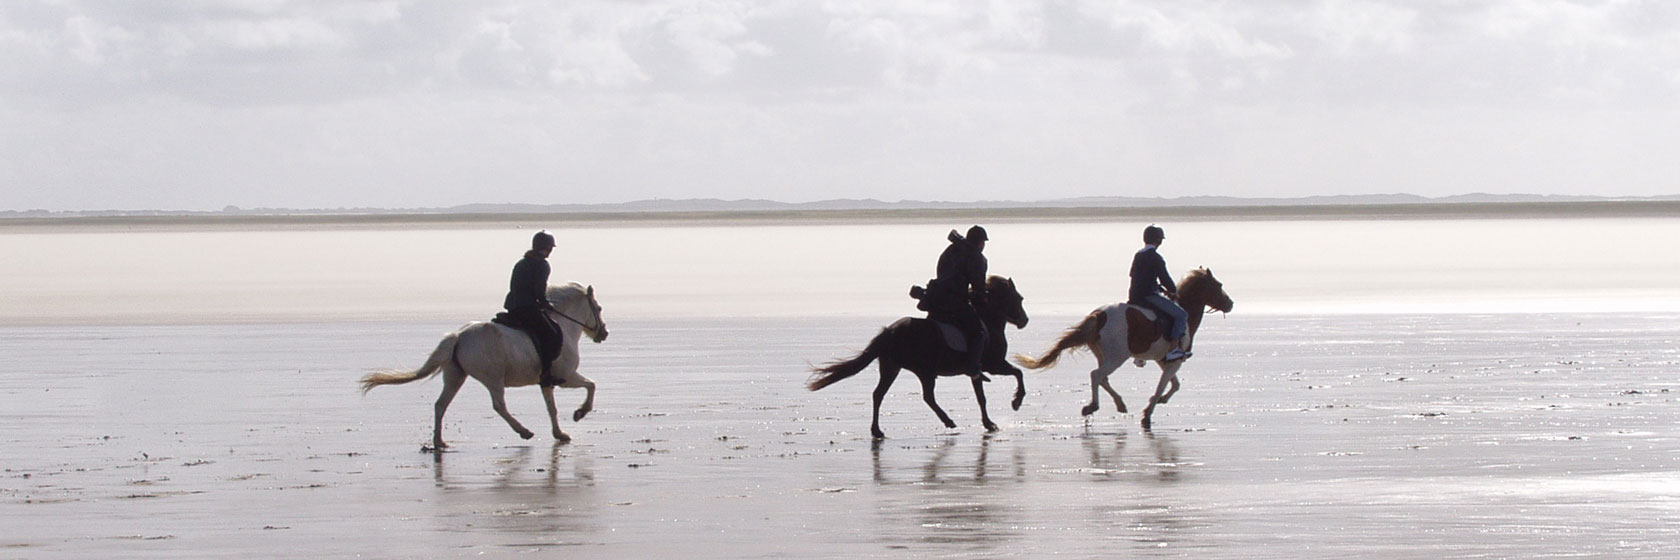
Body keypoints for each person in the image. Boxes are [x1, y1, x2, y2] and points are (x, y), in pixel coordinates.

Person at [927, 225, 991, 381]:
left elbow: (941, 271)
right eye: (983, 243)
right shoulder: (977, 258)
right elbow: (978, 287)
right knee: (978, 333)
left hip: (934, 298)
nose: (983, 246)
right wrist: (982, 298)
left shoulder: (951, 249)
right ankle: (972, 367)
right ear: (980, 243)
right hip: (954, 303)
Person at [503, 230, 564, 386]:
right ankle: (545, 374)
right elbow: (539, 290)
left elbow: (514, 286)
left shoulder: (521, 262)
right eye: (550, 247)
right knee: (552, 334)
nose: (550, 251)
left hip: (512, 306)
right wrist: (546, 303)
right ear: (544, 247)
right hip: (527, 307)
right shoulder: (542, 265)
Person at [1129, 224, 1191, 362]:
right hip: (1149, 296)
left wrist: (1161, 289)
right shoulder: (1156, 258)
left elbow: (1135, 275)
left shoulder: (1138, 255)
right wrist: (1173, 291)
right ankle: (1173, 349)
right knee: (1181, 315)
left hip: (1134, 296)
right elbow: (1165, 278)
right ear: (1159, 240)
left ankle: (1139, 355)